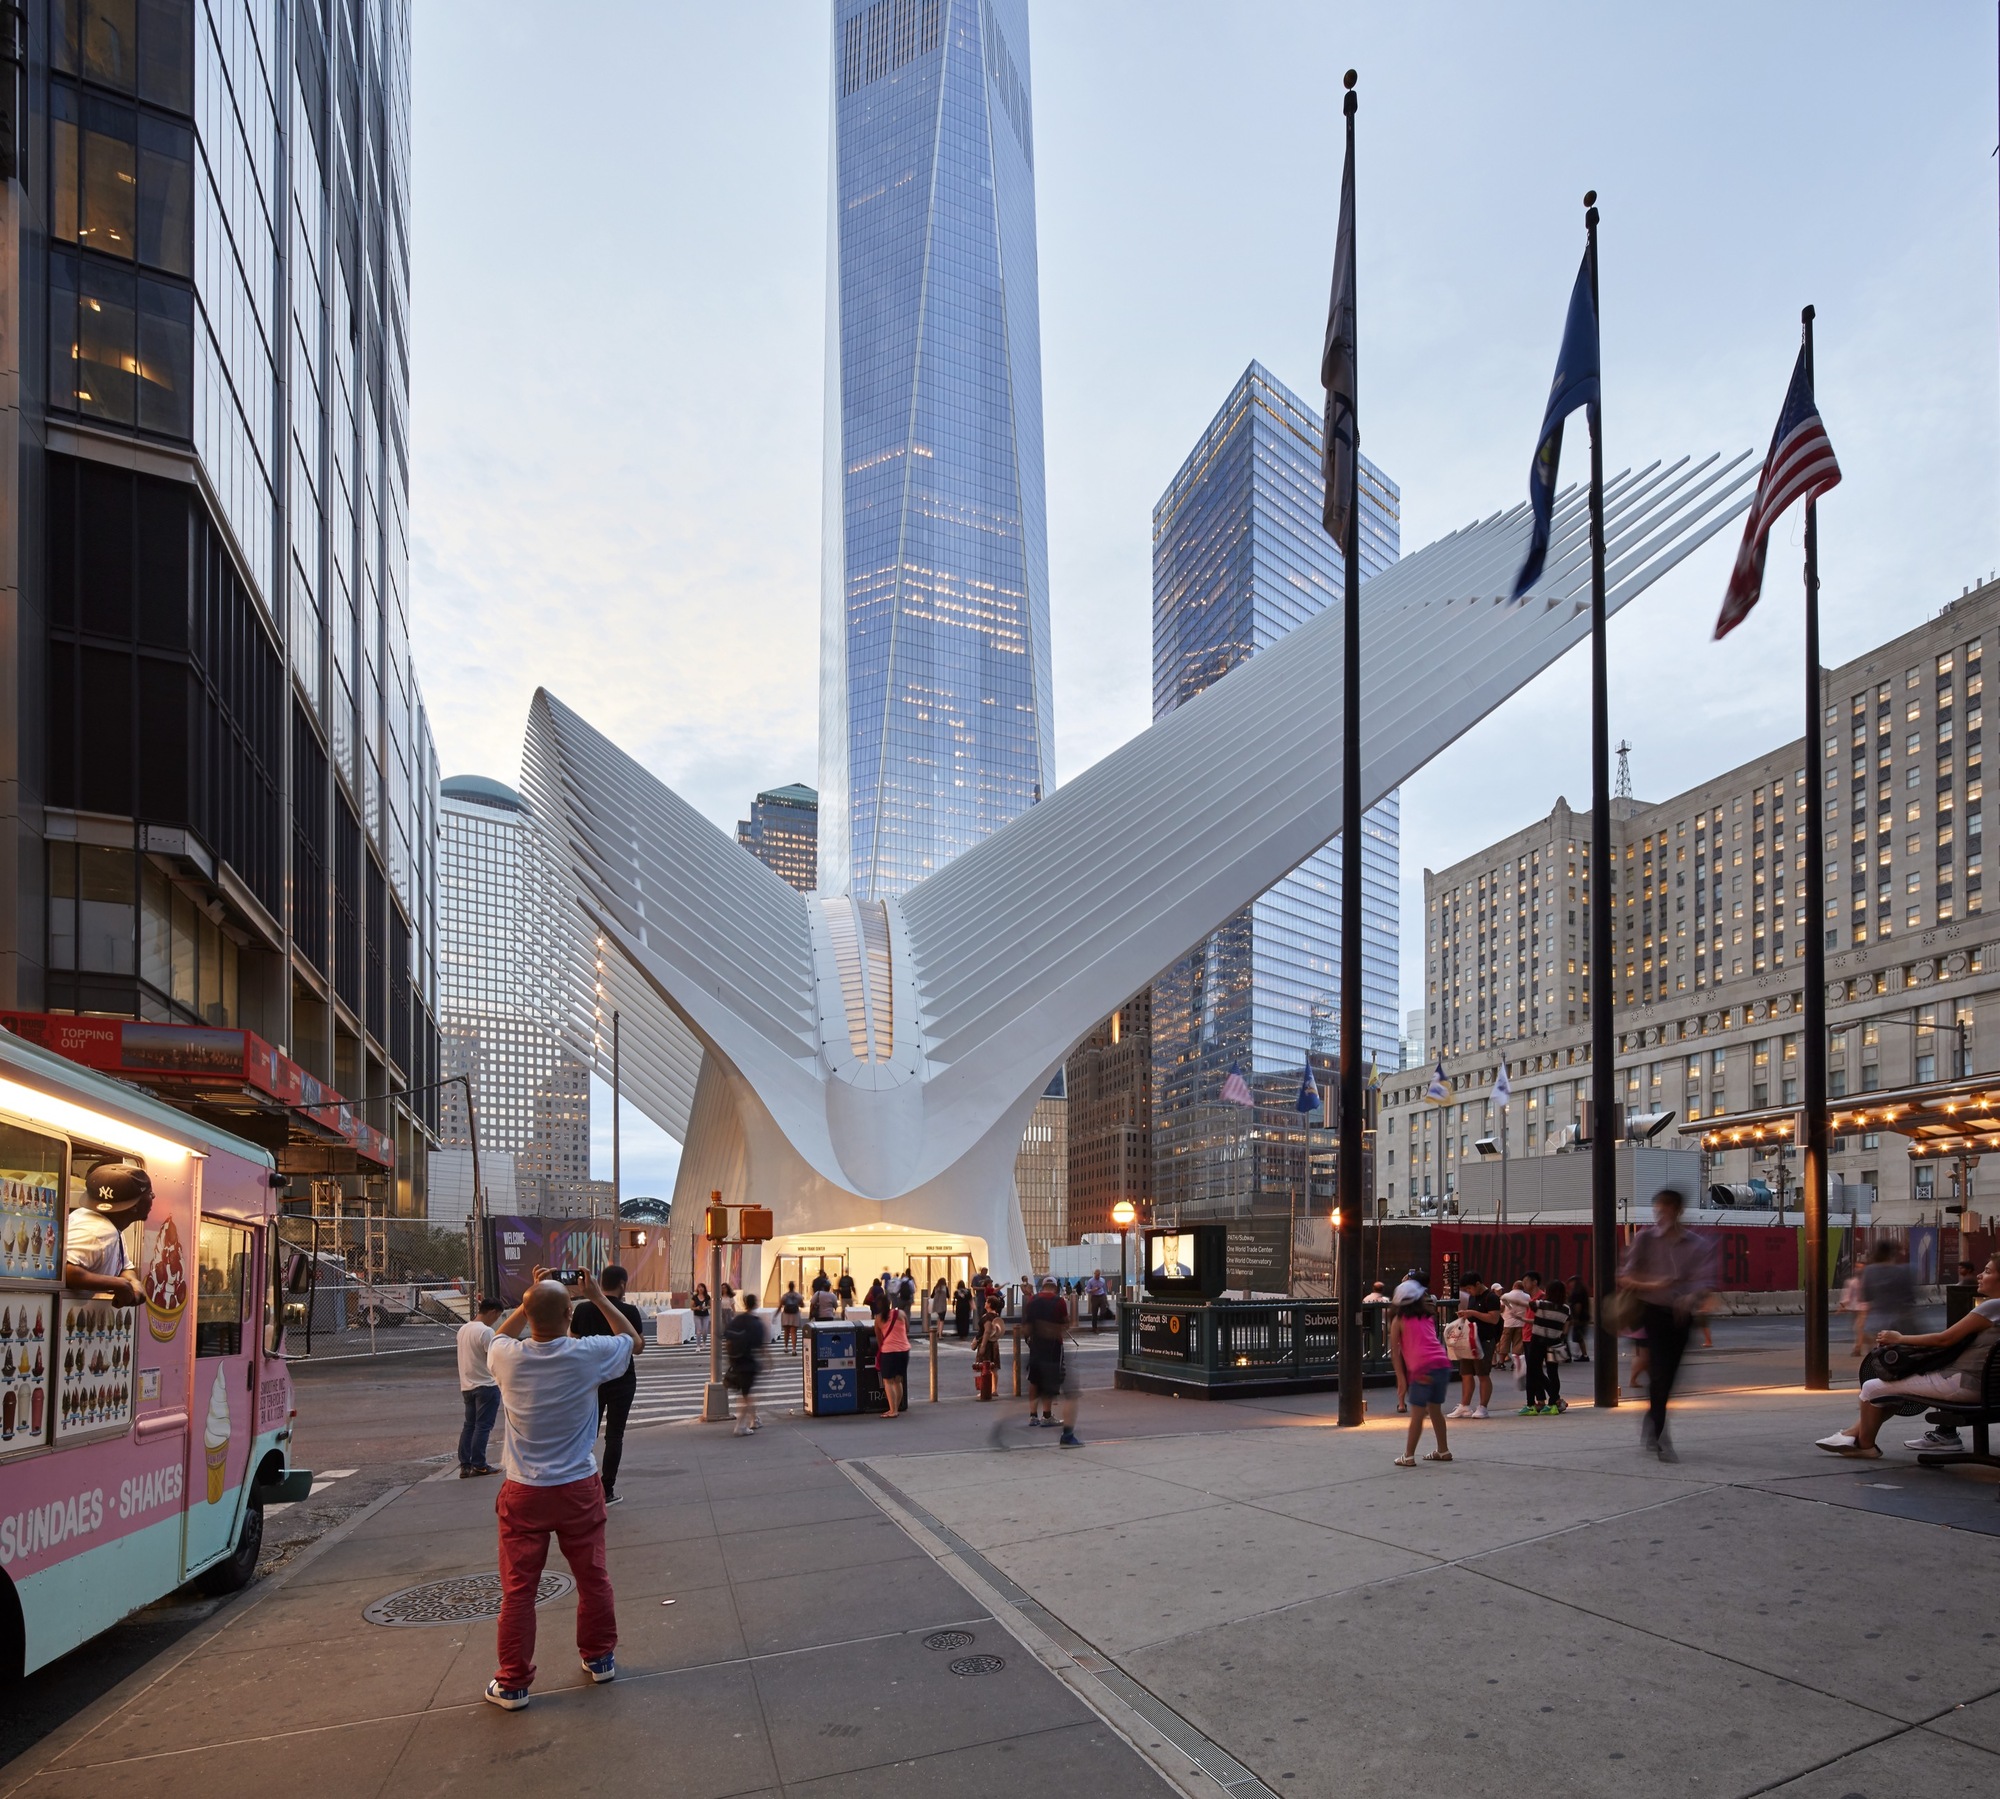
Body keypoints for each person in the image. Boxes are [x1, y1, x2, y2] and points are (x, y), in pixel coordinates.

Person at [483, 1266, 640, 1710]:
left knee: (518, 1591)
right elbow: (635, 1341)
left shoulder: (506, 1357)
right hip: (577, 1487)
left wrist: (530, 1296)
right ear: (571, 1312)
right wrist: (598, 1298)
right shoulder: (587, 1354)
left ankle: (513, 1682)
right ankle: (600, 1658)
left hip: (524, 1491)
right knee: (593, 1578)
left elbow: (498, 1334)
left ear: (528, 1315)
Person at [1816, 1252, 2000, 1459]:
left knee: (1872, 1387)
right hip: (1993, 1389)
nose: (1980, 1275)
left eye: (1987, 1271)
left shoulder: (1993, 1306)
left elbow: (1944, 1339)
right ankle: (1850, 1434)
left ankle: (1864, 1445)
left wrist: (1899, 1338)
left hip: (1967, 1385)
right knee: (1896, 1388)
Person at [1619, 1188, 1717, 1463]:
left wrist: (1693, 1296)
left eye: (1666, 1210)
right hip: (1652, 1312)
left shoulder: (1696, 1244)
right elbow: (1626, 1277)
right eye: (1658, 1210)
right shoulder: (1646, 1239)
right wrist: (1653, 1284)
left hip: (1681, 1316)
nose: (1661, 1216)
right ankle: (1662, 1436)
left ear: (1678, 1211)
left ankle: (1653, 1417)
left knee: (1669, 1377)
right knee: (1660, 1374)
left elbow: (1704, 1280)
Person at [571, 1265, 645, 1505]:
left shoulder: (582, 1310)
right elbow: (638, 1347)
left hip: (591, 1380)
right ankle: (607, 1489)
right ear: (622, 1284)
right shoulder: (629, 1311)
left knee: (587, 1433)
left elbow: (572, 1341)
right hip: (622, 1380)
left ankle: (583, 1485)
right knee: (615, 1435)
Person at [62, 1162, 153, 1306]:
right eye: (149, 1194)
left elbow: (125, 1266)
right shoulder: (100, 1231)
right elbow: (67, 1270)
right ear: (134, 1206)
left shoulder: (110, 1224)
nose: (153, 1198)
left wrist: (133, 1282)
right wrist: (118, 1284)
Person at [1389, 1279, 1453, 1466]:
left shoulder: (1398, 1321)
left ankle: (1408, 1456)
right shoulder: (1428, 1316)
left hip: (1422, 1368)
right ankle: (1443, 1450)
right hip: (1441, 1364)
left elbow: (1395, 1351)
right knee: (1435, 1410)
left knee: (1417, 1414)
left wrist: (1401, 1379)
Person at [1019, 1276, 1082, 1445]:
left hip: (1035, 1346)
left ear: (1043, 1286)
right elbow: (1065, 1324)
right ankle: (1047, 1415)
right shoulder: (1059, 1301)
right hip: (1053, 1346)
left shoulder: (1032, 1300)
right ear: (1054, 1288)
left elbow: (1026, 1326)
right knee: (1052, 1380)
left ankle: (1033, 1415)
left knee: (1034, 1378)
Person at [456, 1295, 506, 1477]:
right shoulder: (486, 1332)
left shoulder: (463, 1330)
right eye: (497, 1316)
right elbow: (495, 1358)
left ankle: (465, 1464)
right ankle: (479, 1464)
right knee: (483, 1426)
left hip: (467, 1385)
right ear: (492, 1312)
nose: (496, 1320)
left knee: (469, 1425)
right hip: (486, 1384)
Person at [1449, 1276, 1501, 1419]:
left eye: (1470, 1288)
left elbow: (1494, 1319)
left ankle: (1483, 1407)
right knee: (1465, 1373)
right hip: (1469, 1340)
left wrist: (1472, 1313)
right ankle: (1464, 1405)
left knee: (1482, 1374)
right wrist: (1465, 1315)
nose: (1469, 1292)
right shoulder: (1473, 1298)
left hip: (1485, 1340)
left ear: (1478, 1284)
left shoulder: (1491, 1298)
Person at [723, 1290, 768, 1434]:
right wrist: (770, 1362)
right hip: (749, 1362)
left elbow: (727, 1338)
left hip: (736, 1360)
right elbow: (761, 1346)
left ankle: (755, 1419)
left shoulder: (737, 1320)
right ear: (756, 1304)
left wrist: (731, 1358)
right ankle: (741, 1426)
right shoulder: (756, 1323)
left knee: (745, 1392)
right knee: (747, 1395)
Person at [1522, 1277, 1570, 1416]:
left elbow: (1527, 1304)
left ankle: (1530, 1405)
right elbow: (1566, 1326)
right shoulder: (1566, 1309)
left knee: (1532, 1371)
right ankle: (1552, 1405)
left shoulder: (1542, 1304)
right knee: (1553, 1373)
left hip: (1538, 1341)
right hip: (1554, 1342)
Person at [1857, 1240, 1920, 1343]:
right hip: (1900, 1323)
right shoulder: (1906, 1270)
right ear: (1893, 1255)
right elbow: (1911, 1297)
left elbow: (1866, 1296)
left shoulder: (1869, 1271)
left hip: (1876, 1323)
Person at [872, 1291, 910, 1416]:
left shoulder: (878, 1319)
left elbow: (879, 1340)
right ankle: (896, 1408)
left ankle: (892, 1410)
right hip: (903, 1350)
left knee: (888, 1381)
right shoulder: (901, 1313)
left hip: (888, 1351)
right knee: (898, 1381)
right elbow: (907, 1330)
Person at [1496, 1273, 1534, 1373]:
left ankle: (1501, 1363)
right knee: (1518, 1344)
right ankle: (1515, 1364)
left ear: (1514, 1286)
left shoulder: (1506, 1295)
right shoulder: (1527, 1296)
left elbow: (1501, 1308)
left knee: (1504, 1343)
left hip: (1507, 1323)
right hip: (1521, 1323)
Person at [1839, 1252, 1871, 1357]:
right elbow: (1848, 1295)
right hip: (1855, 1309)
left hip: (1864, 1308)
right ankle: (1869, 1345)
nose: (1858, 1269)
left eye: (1860, 1267)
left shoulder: (1868, 1281)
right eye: (1857, 1267)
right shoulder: (1852, 1282)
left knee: (1860, 1328)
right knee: (1858, 1328)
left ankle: (1858, 1348)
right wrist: (1843, 1306)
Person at [973, 1294, 1004, 1400]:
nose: (985, 1303)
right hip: (994, 1343)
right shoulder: (996, 1316)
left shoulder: (987, 1317)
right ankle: (994, 1389)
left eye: (987, 1302)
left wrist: (982, 1345)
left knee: (985, 1367)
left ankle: (986, 1389)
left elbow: (986, 1331)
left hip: (987, 1343)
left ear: (989, 1304)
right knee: (994, 1367)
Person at [1568, 1276, 1592, 1363]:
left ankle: (1584, 1355)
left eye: (1571, 1282)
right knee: (1579, 1336)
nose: (1570, 1284)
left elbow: (1578, 1305)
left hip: (1580, 1317)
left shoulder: (1577, 1292)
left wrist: (1576, 1318)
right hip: (1584, 1316)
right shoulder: (1582, 1290)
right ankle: (1580, 1353)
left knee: (1579, 1336)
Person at [779, 1281, 804, 1354]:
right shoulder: (798, 1295)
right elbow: (802, 1305)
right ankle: (794, 1349)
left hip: (786, 1314)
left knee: (786, 1331)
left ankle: (786, 1347)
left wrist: (776, 1313)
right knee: (793, 1332)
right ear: (794, 1287)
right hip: (795, 1314)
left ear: (788, 1287)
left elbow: (781, 1305)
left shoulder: (785, 1296)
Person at [690, 1282, 711, 1347]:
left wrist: (705, 1307)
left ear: (704, 1288)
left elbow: (710, 1306)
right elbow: (691, 1307)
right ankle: (698, 1345)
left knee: (705, 1330)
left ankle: (704, 1342)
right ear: (697, 1289)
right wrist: (696, 1308)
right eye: (699, 1287)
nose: (700, 1289)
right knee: (698, 1330)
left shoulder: (707, 1297)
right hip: (697, 1315)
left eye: (702, 1287)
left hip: (705, 1315)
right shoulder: (695, 1297)